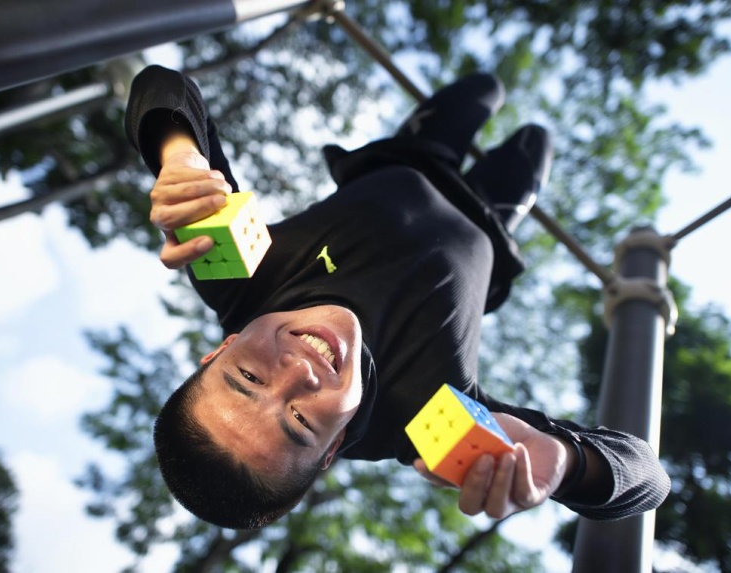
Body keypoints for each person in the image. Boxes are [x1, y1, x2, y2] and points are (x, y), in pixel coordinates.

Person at [124, 65, 671, 530]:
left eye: (248, 378)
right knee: (538, 143)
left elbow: (162, 86)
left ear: (219, 350)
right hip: (492, 221)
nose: (299, 372)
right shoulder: (424, 422)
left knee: (483, 86)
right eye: (301, 422)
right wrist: (566, 460)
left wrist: (181, 158)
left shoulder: (235, 275)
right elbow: (649, 477)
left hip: (411, 156)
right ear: (333, 450)